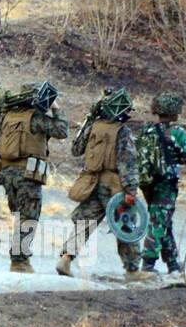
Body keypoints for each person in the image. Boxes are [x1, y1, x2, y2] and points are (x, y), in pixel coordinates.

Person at [56, 88, 154, 283]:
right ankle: (133, 270)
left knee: (83, 224)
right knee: (126, 225)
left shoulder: (93, 126)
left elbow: (76, 149)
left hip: (92, 183)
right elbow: (128, 163)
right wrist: (131, 191)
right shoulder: (122, 132)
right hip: (114, 187)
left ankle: (65, 259)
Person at [0, 83, 69, 272]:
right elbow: (62, 131)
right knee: (29, 218)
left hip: (7, 175)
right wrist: (56, 108)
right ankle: (19, 261)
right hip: (28, 175)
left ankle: (18, 258)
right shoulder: (36, 118)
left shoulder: (5, 117)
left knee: (20, 217)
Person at [136, 91, 186, 274]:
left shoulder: (146, 130)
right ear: (174, 112)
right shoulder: (177, 132)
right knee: (159, 221)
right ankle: (148, 265)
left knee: (163, 220)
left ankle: (173, 264)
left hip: (147, 182)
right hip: (166, 183)